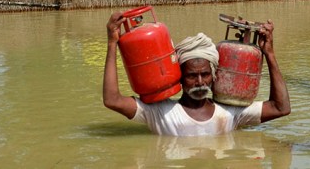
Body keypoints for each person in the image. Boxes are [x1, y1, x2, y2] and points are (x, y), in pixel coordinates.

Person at [103, 12, 290, 136]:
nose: (200, 82)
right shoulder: (160, 112)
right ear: (180, 77)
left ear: (214, 75)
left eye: (205, 74)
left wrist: (270, 54)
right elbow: (112, 100)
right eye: (192, 76)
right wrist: (112, 43)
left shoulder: (231, 111)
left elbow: (281, 108)